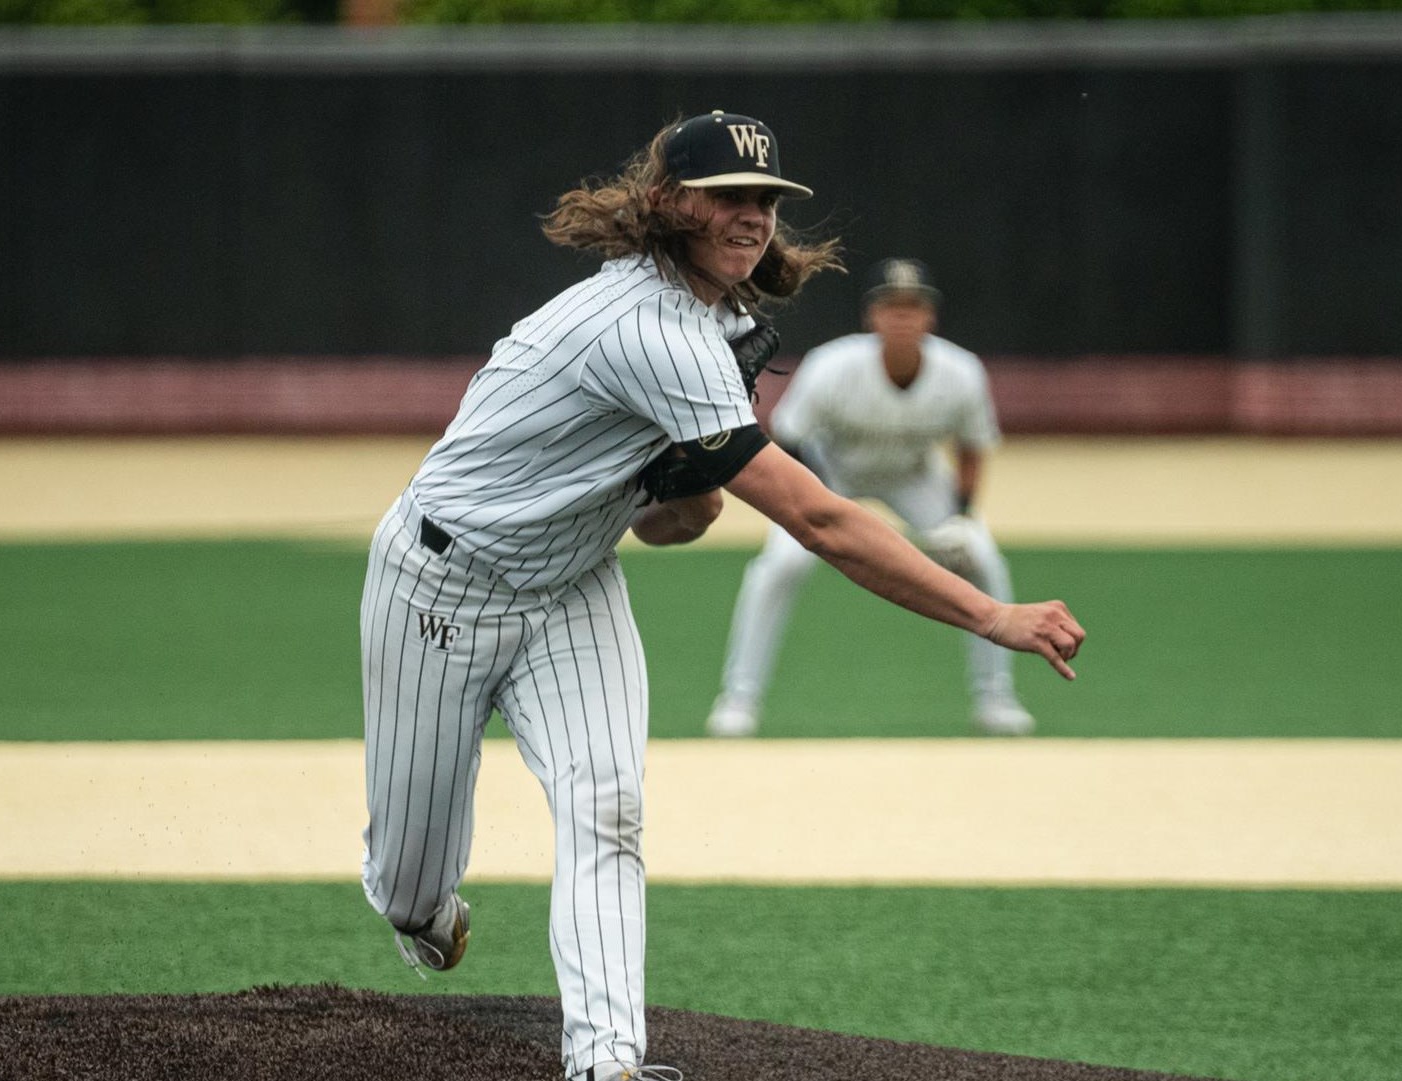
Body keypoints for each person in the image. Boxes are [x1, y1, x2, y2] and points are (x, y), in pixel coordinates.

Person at [357, 110, 1085, 1081]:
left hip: (572, 586)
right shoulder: (645, 326)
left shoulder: (718, 321)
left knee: (608, 805)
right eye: (727, 196)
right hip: (439, 583)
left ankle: (606, 1061)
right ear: (667, 203)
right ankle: (419, 909)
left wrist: (691, 490)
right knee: (409, 887)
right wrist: (990, 613)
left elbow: (669, 524)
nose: (751, 215)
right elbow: (817, 519)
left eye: (765, 199)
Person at [705, 257, 1037, 738]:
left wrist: (963, 515)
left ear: (930, 316)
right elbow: (789, 438)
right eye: (891, 307)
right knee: (781, 565)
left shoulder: (960, 371)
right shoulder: (832, 365)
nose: (902, 317)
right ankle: (738, 699)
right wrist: (815, 505)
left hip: (915, 476)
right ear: (871, 316)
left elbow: (971, 447)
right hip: (828, 473)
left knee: (981, 557)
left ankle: (997, 698)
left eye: (913, 307)